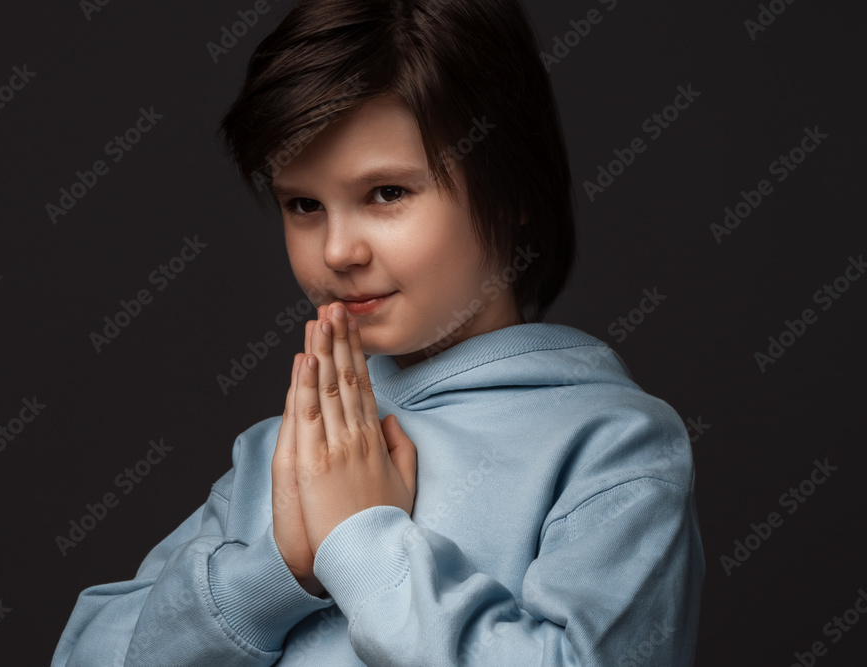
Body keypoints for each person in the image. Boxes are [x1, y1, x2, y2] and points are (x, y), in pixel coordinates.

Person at [51, 0, 704, 664]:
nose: (337, 250)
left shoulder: (612, 447)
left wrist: (363, 541)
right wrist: (276, 573)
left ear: (512, 188)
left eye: (387, 193)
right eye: (303, 204)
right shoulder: (295, 445)